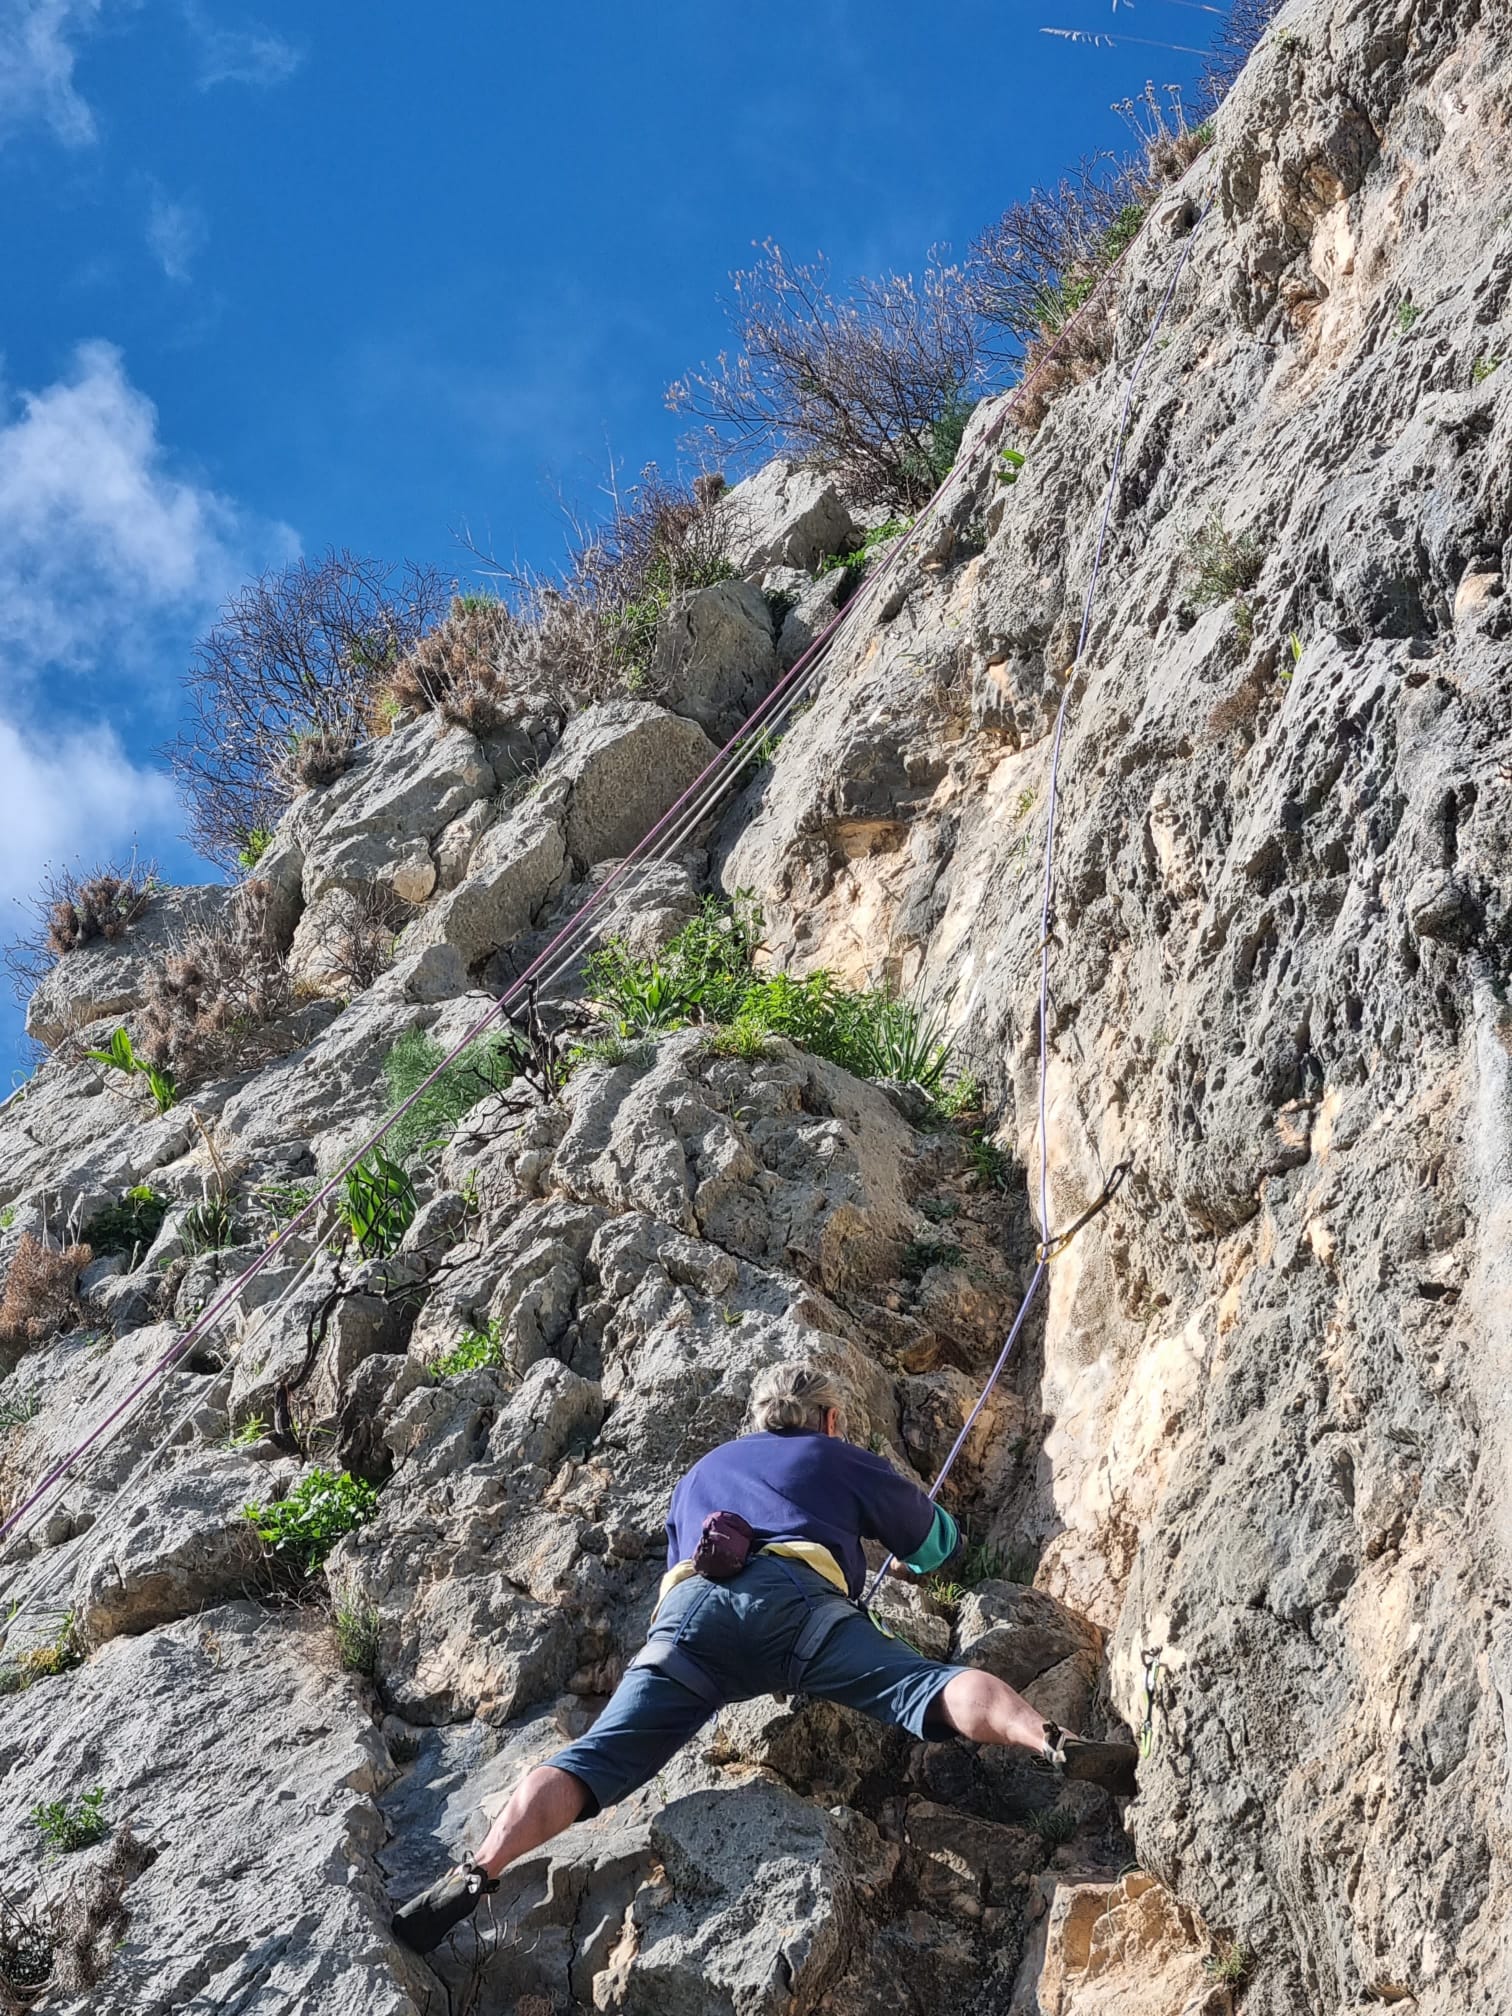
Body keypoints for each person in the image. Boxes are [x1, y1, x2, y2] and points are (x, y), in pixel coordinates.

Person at [392, 1361, 1138, 1953]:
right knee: (926, 1687)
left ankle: (477, 1871)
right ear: (831, 1418)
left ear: (756, 1420)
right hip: (799, 1613)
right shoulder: (835, 1455)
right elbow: (939, 1546)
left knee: (590, 1761)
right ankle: (1047, 1739)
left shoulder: (700, 1475)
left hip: (686, 1624)